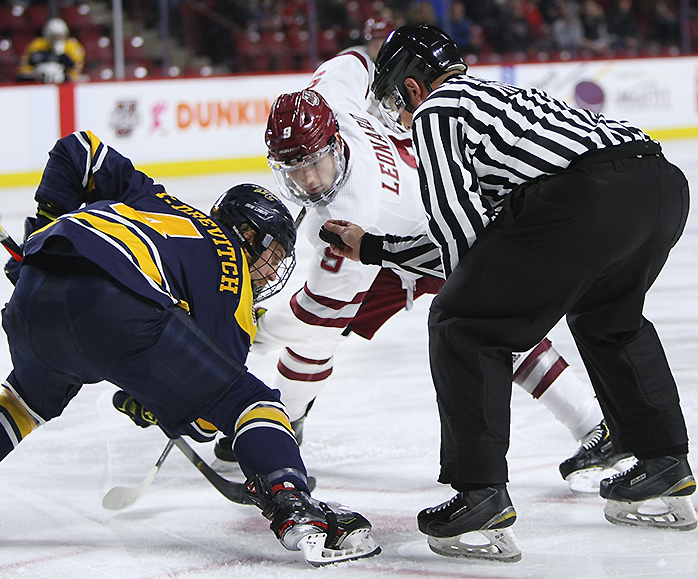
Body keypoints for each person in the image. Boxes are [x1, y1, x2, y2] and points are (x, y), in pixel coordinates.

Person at [0, 130, 380, 567]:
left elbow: (79, 150)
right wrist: (152, 402)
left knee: (24, 399)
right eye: (272, 254)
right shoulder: (232, 272)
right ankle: (295, 507)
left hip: (35, 291)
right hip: (119, 309)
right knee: (252, 402)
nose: (269, 271)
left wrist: (41, 231)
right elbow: (205, 415)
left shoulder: (155, 198)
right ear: (249, 236)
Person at [324, 24, 696, 561]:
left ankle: (479, 496)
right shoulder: (501, 96)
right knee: (608, 319)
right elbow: (493, 239)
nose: (398, 118)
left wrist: (382, 252)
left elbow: (461, 245)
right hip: (658, 184)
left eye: (392, 101)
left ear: (410, 87)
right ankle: (663, 464)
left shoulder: (436, 111)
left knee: (462, 325)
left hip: (586, 198)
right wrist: (378, 249)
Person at [208, 43, 628, 496]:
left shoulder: (351, 214)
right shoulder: (334, 101)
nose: (307, 182)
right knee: (330, 332)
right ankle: (281, 421)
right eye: (293, 171)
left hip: (441, 236)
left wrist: (240, 330)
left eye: (314, 165)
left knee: (492, 328)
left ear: (333, 145)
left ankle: (594, 424)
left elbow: (315, 317)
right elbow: (355, 59)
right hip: (398, 234)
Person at [17, 17, 85, 84]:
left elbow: (76, 70)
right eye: (54, 36)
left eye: (60, 36)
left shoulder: (73, 47)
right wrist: (37, 72)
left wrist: (63, 74)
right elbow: (24, 68)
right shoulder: (37, 45)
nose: (57, 39)